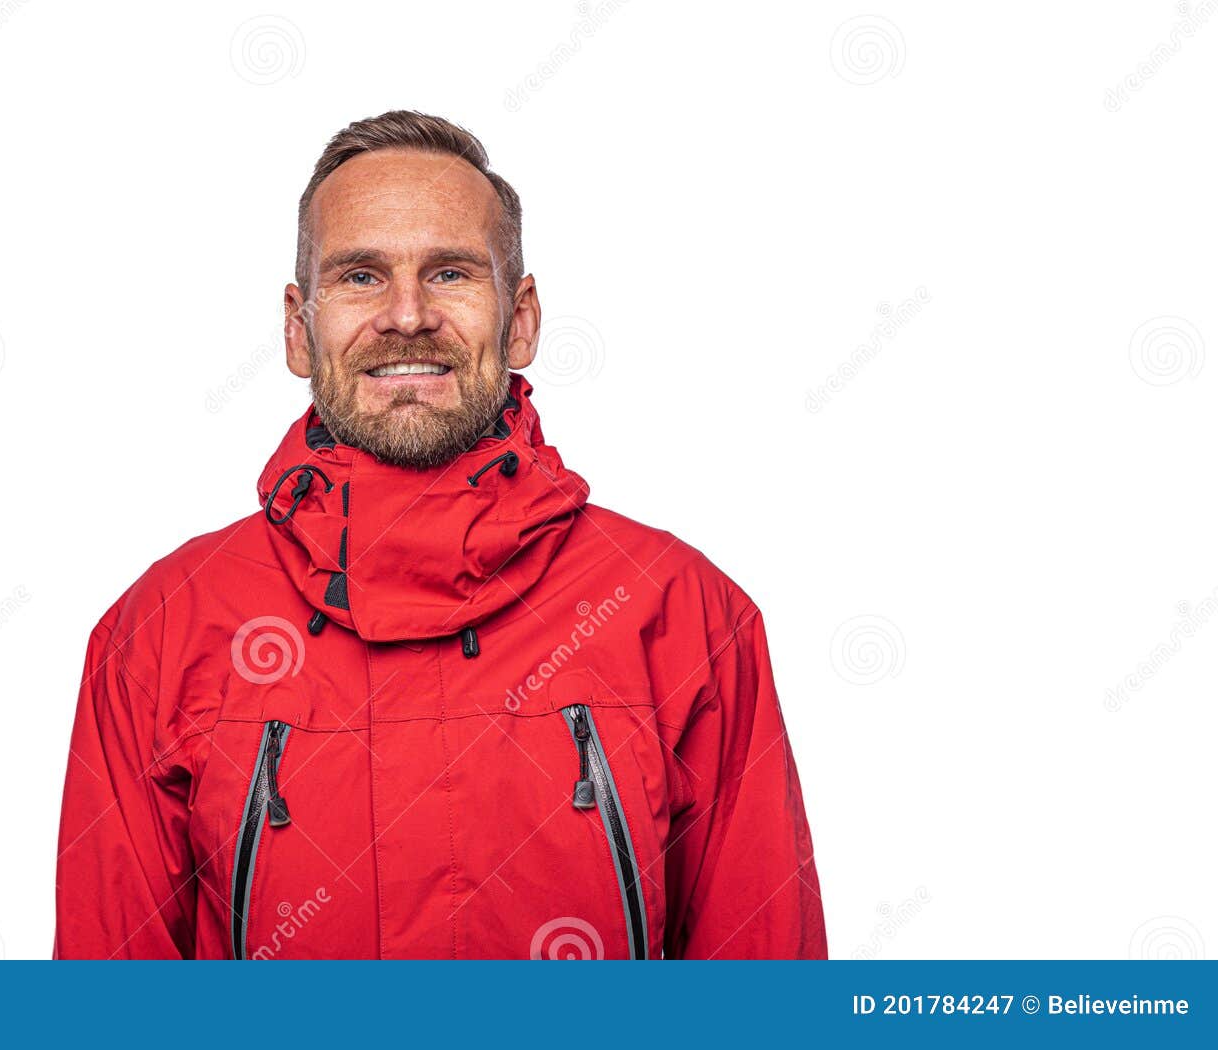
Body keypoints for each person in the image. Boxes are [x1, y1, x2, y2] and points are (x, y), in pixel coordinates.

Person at [53, 110, 826, 960]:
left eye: (451, 272)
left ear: (521, 316)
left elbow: (766, 997)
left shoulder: (682, 615)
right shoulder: (160, 633)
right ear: (295, 328)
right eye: (359, 277)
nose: (408, 315)